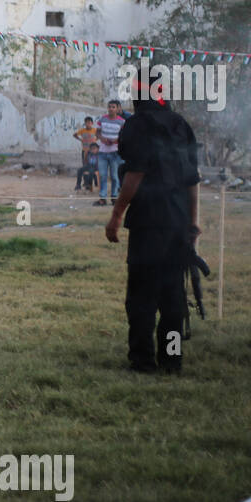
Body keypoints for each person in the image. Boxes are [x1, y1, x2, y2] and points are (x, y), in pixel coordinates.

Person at [105, 88, 200, 373]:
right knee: (173, 298)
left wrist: (116, 216)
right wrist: (194, 222)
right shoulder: (181, 125)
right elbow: (192, 179)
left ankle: (143, 360)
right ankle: (172, 361)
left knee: (141, 298)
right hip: (178, 223)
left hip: (148, 223)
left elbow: (135, 175)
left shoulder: (138, 125)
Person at [95, 100, 126, 206]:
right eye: (109, 107)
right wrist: (102, 138)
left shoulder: (122, 122)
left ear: (118, 109)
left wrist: (116, 140)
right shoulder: (102, 119)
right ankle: (102, 198)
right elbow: (97, 132)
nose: (111, 109)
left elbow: (124, 136)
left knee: (114, 176)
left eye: (113, 107)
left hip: (115, 153)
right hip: (102, 152)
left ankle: (114, 197)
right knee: (103, 176)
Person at [73, 116, 97, 191]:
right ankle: (85, 183)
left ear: (92, 123)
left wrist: (95, 140)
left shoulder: (94, 130)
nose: (88, 124)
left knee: (92, 168)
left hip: (93, 152)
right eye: (87, 123)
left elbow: (99, 135)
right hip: (85, 151)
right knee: (85, 167)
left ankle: (89, 183)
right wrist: (81, 140)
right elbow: (74, 135)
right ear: (85, 123)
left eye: (90, 123)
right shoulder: (82, 131)